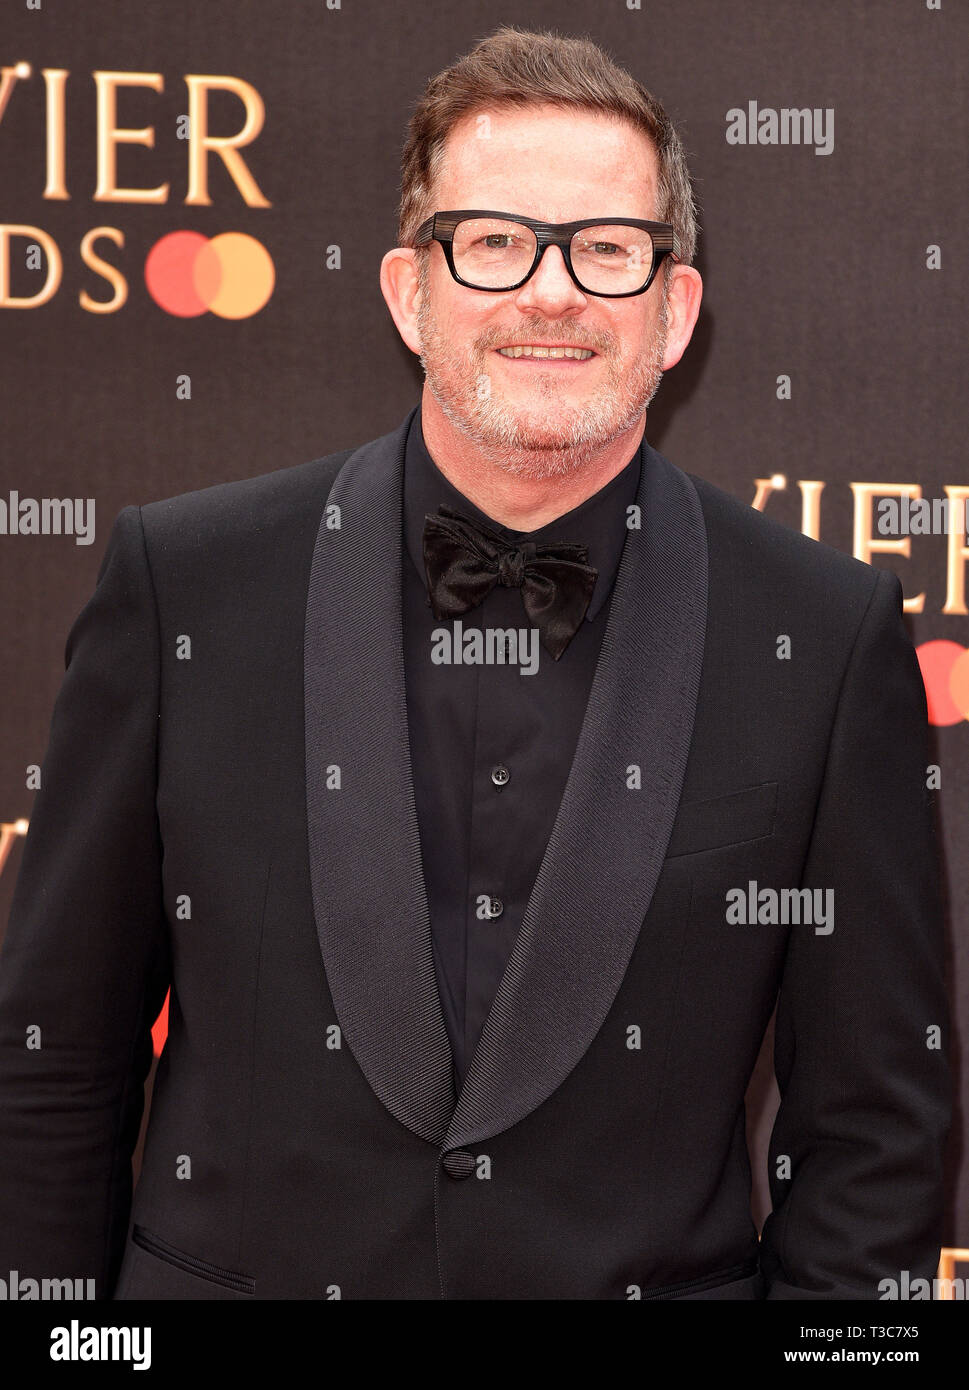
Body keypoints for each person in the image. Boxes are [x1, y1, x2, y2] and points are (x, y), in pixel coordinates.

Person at [0, 26, 950, 1300]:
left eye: (607, 250)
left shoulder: (825, 635)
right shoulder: (188, 584)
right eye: (495, 241)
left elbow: (878, 1130)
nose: (551, 292)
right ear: (409, 291)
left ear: (674, 312)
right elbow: (54, 1062)